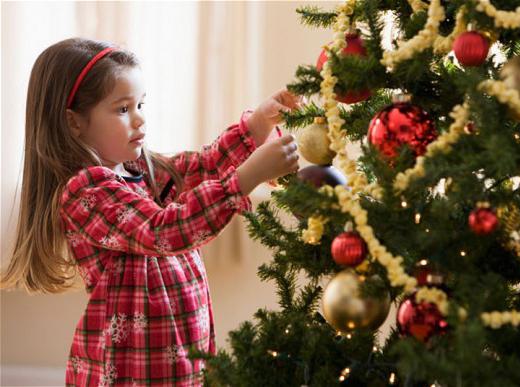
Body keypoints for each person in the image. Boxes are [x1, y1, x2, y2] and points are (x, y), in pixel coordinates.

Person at [0, 37, 300, 386]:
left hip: (181, 356)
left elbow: (202, 167)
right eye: (123, 109)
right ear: (74, 123)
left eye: (141, 104)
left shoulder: (138, 170)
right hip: (132, 369)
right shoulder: (86, 191)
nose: (139, 120)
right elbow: (163, 230)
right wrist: (247, 178)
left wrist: (257, 126)